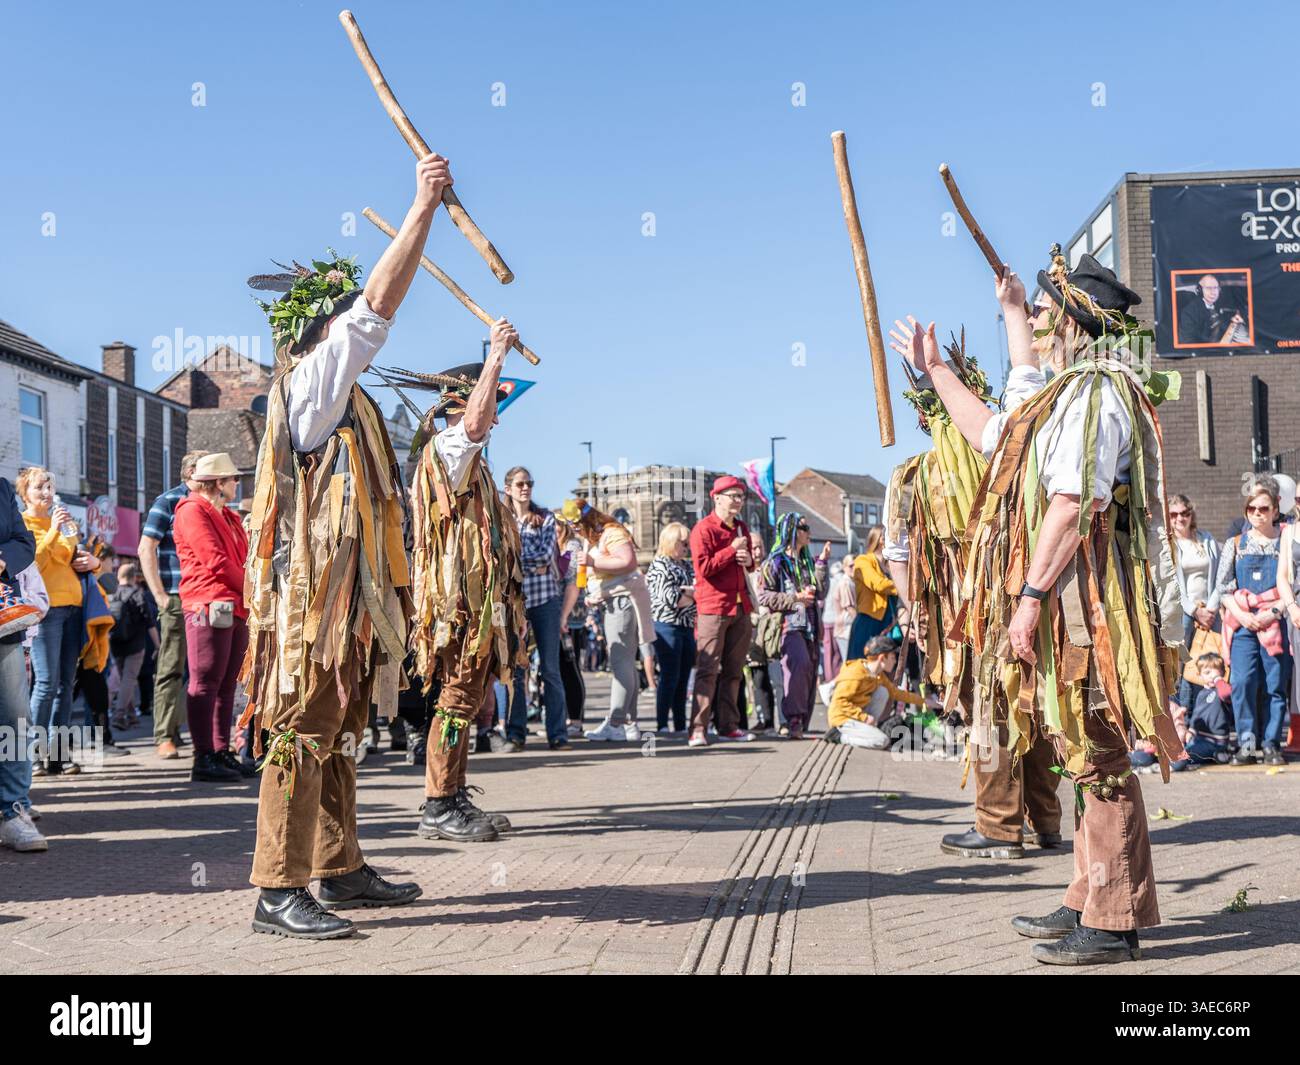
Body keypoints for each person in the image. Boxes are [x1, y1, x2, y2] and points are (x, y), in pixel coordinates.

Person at [903, 247, 1185, 965]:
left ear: (1077, 326)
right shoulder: (1066, 392)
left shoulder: (1098, 394)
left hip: (1090, 603)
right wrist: (943, 365)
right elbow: (998, 430)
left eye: (1045, 314)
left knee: (1098, 753)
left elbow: (1071, 503)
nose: (1037, 322)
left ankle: (1116, 915)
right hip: (1067, 599)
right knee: (1074, 748)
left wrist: (1028, 599)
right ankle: (1087, 895)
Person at [239, 155, 447, 939]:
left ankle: (336, 863)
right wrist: (422, 206)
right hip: (308, 604)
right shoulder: (315, 381)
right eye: (343, 318)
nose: (355, 329)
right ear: (322, 329)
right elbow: (378, 305)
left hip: (343, 604)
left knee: (337, 730)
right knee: (299, 732)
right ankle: (275, 887)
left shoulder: (347, 397)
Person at [405, 333, 528, 843]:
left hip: (478, 605)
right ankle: (439, 801)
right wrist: (496, 354)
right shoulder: (451, 447)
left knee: (466, 698)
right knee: (455, 699)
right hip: (457, 603)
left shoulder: (470, 460)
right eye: (492, 401)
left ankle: (452, 795)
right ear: (463, 401)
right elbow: (474, 424)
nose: (497, 416)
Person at [173, 453, 251, 784]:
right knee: (205, 682)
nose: (237, 483)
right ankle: (204, 755)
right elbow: (215, 561)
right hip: (209, 604)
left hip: (230, 604)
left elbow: (239, 558)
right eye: (233, 479)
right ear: (218, 482)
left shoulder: (226, 515)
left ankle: (220, 751)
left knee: (224, 684)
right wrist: (252, 589)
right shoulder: (192, 510)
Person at [20, 466, 101, 775]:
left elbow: (73, 560)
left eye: (50, 487)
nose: (47, 493)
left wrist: (91, 562)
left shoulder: (66, 523)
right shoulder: (22, 524)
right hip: (45, 612)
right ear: (25, 492)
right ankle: (33, 754)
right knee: (45, 682)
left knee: (67, 683)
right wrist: (53, 528)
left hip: (73, 609)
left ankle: (59, 754)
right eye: (40, 487)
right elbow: (32, 562)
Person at [1208, 477, 1289, 766]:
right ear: (1246, 512)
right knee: (1242, 682)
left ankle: (1271, 745)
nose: (1258, 513)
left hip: (1274, 624)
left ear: (1275, 510)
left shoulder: (1286, 542)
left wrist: (1274, 612)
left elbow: (1295, 584)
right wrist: (1242, 616)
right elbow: (1223, 586)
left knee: (1274, 685)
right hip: (1242, 624)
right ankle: (1246, 743)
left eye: (1264, 508)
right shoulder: (1236, 544)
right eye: (1252, 508)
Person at [565, 498, 656, 742]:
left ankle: (616, 723)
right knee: (626, 663)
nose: (574, 530)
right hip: (615, 601)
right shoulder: (597, 536)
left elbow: (628, 562)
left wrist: (593, 562)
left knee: (620, 663)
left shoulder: (611, 532)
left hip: (623, 602)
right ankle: (629, 723)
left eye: (576, 525)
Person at [139, 450, 208, 760]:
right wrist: (159, 595)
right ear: (192, 472)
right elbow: (146, 548)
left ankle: (198, 735)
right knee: (171, 666)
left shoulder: (212, 504)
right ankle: (165, 735)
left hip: (206, 596)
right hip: (177, 596)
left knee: (203, 669)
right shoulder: (168, 502)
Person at [500, 468, 568, 752]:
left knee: (550, 669)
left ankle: (558, 734)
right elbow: (501, 556)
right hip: (514, 603)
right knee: (516, 669)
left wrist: (519, 563)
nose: (525, 488)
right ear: (508, 488)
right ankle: (516, 734)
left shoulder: (546, 518)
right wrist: (528, 565)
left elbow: (544, 554)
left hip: (545, 601)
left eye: (529, 483)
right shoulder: (501, 519)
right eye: (520, 484)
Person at [688, 476, 757, 747]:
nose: (737, 501)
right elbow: (703, 568)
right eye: (732, 496)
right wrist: (730, 551)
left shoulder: (741, 528)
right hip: (714, 608)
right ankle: (698, 729)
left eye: (740, 496)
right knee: (707, 670)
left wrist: (749, 560)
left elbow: (749, 565)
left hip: (741, 606)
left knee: (734, 671)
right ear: (716, 497)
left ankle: (729, 726)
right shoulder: (703, 529)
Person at [758, 513, 830, 740]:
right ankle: (794, 719)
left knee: (809, 670)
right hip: (788, 625)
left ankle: (801, 721)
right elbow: (764, 596)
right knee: (798, 666)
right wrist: (794, 598)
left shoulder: (808, 560)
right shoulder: (775, 562)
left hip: (809, 625)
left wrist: (822, 563)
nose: (809, 532)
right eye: (804, 527)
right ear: (791, 531)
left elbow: (821, 591)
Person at [0, 476, 42, 852]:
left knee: (15, 721)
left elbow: (22, 541)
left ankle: (13, 811)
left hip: (2, 625)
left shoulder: (0, 488)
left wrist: (2, 559)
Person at [827, 635, 934, 748]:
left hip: (857, 716)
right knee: (882, 741)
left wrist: (924, 701)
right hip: (842, 719)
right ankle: (839, 737)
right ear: (882, 658)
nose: (895, 661)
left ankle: (869, 730)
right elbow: (839, 703)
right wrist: (864, 717)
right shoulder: (855, 673)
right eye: (893, 657)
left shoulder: (877, 674)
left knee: (883, 691)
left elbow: (896, 693)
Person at [1168, 493, 1220, 711]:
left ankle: (1208, 713)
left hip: (1209, 609)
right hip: (1185, 612)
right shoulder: (1168, 544)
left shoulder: (1206, 539)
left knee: (1209, 661)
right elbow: (1171, 581)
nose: (1180, 518)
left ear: (1191, 514)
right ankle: (1184, 714)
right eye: (1174, 514)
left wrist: (1212, 607)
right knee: (1183, 664)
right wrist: (1193, 610)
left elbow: (1219, 575)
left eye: (1185, 513)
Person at [647, 521, 696, 734]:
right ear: (671, 542)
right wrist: (689, 595)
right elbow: (671, 599)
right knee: (669, 675)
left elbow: (697, 593)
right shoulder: (660, 565)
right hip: (666, 625)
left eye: (687, 543)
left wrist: (689, 595)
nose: (686, 548)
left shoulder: (686, 565)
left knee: (684, 677)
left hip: (686, 625)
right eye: (682, 543)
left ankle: (680, 723)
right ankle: (662, 724)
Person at [107, 563, 155, 732]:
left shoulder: (111, 594)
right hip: (136, 644)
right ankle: (119, 715)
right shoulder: (137, 594)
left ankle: (132, 717)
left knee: (124, 678)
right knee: (129, 679)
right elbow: (150, 623)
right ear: (134, 577)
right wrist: (158, 645)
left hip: (115, 644)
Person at [847, 527, 903, 659]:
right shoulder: (863, 560)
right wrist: (903, 586)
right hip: (869, 621)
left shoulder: (891, 564)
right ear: (881, 539)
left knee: (887, 667)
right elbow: (878, 584)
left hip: (890, 622)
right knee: (862, 663)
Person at [1177, 274, 1245, 345]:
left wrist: (1233, 319)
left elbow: (1220, 321)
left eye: (1215, 288)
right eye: (1208, 288)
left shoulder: (1217, 303)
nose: (1213, 292)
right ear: (1199, 290)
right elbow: (1187, 343)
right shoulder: (1189, 312)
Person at [828, 553, 856, 670]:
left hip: (846, 628)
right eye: (851, 566)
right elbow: (849, 607)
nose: (854, 568)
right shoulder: (846, 583)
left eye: (856, 565)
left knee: (849, 662)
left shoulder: (851, 581)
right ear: (844, 567)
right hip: (845, 629)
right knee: (849, 662)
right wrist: (861, 624)